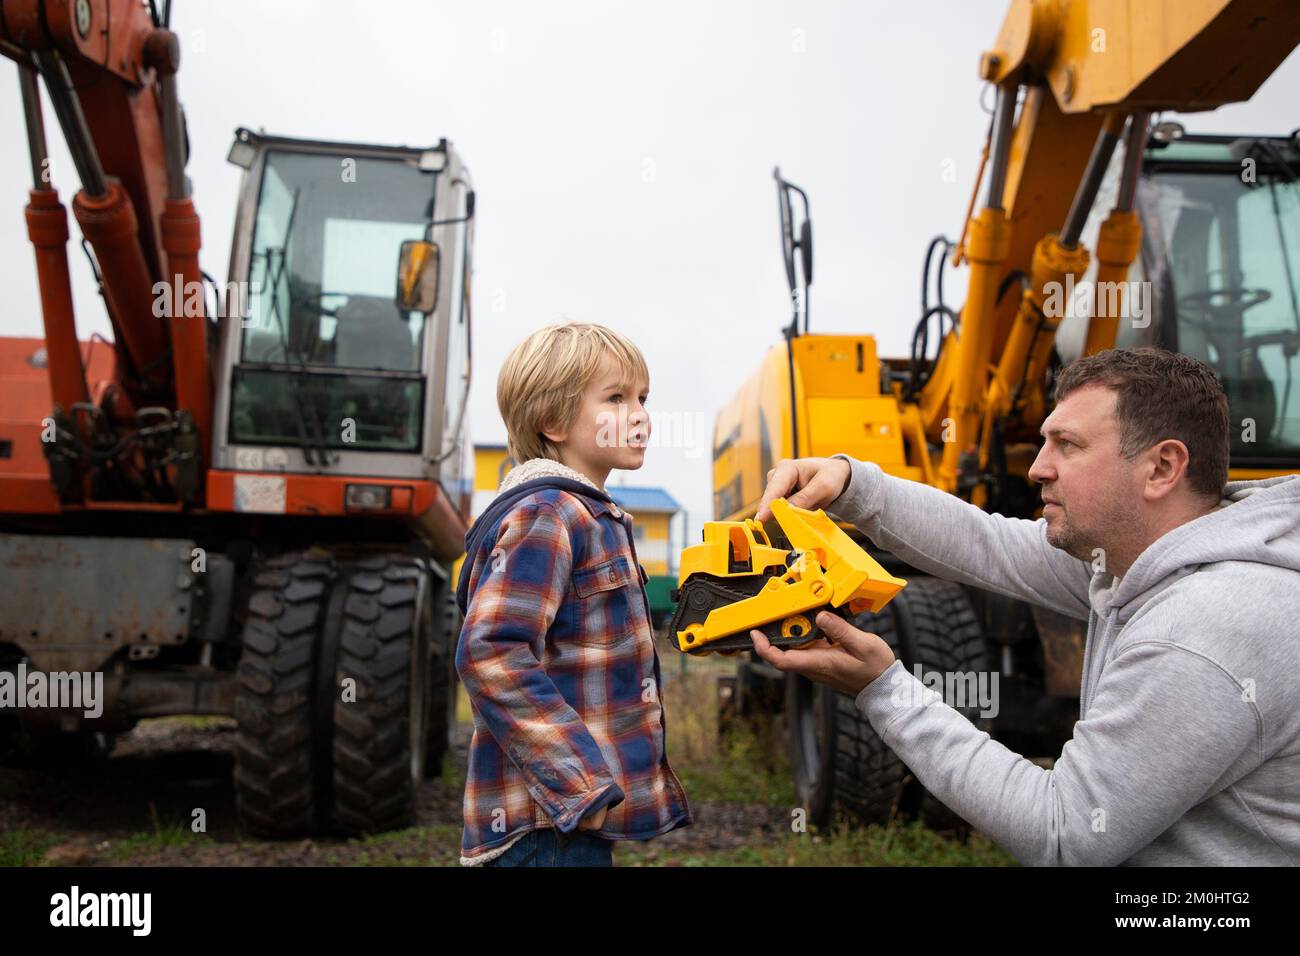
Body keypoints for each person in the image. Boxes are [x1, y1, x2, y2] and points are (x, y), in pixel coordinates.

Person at [750, 347, 1300, 865]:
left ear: (1161, 468)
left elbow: (1063, 833)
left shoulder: (1204, 626)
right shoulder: (1136, 560)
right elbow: (990, 545)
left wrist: (884, 690)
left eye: (1068, 445)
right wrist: (852, 483)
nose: (1038, 467)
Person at [455, 321, 692, 866]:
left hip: (567, 825)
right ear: (553, 421)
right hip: (545, 828)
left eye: (642, 398)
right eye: (615, 398)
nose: (639, 415)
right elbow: (491, 652)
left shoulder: (589, 514)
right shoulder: (548, 514)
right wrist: (579, 784)